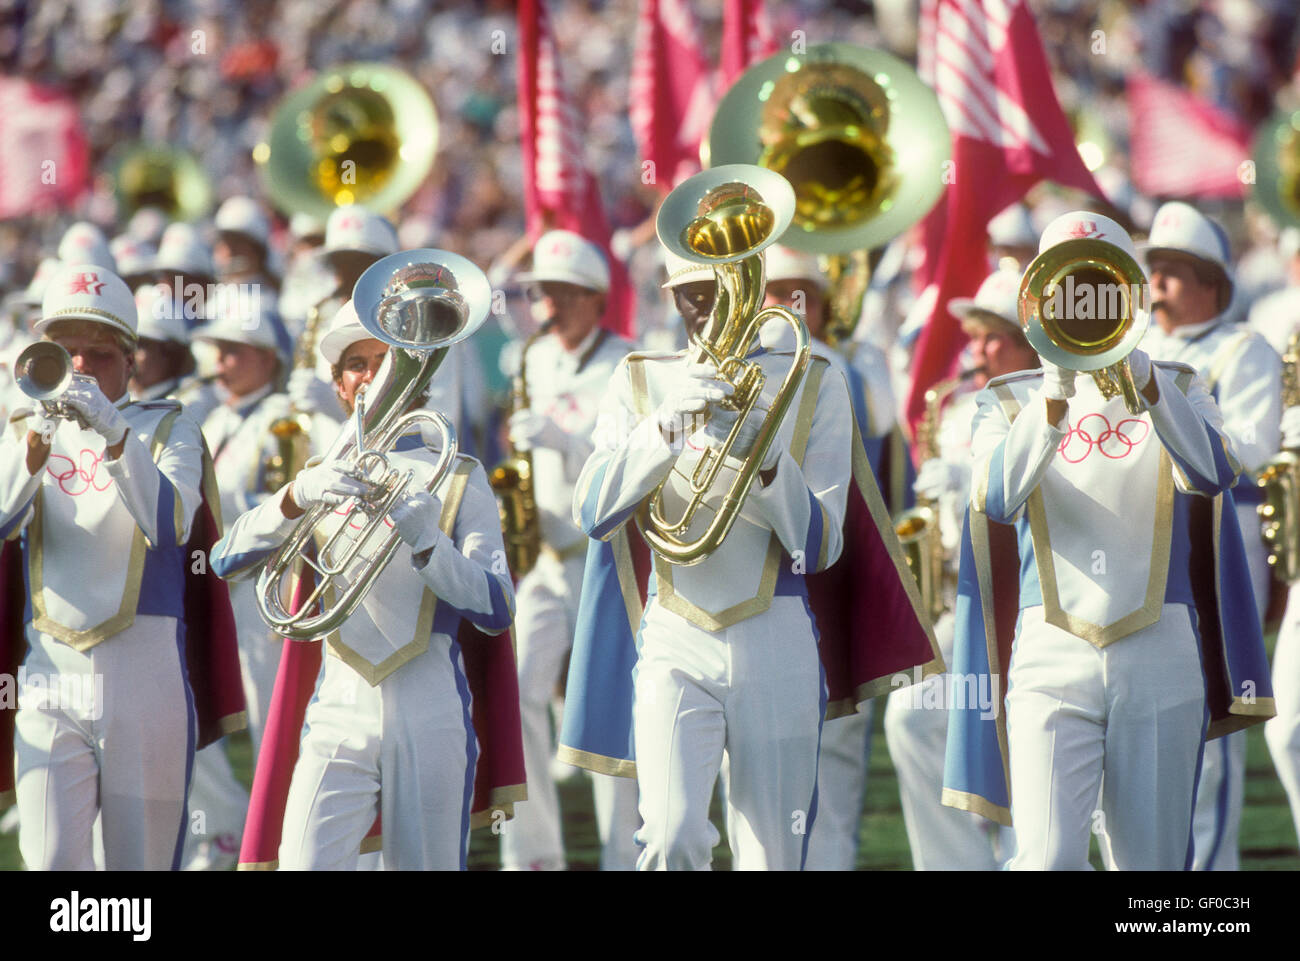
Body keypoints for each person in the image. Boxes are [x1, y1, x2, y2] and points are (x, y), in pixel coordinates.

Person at [560, 231, 938, 870]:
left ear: (752, 289)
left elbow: (819, 545)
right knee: (670, 836)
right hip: (674, 628)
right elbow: (594, 510)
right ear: (670, 297)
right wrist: (665, 428)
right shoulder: (642, 380)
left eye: (719, 291)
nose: (706, 309)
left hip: (777, 632)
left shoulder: (815, 378)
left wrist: (761, 455)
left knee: (773, 851)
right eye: (690, 295)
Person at [943, 211, 1275, 870]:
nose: (1082, 303)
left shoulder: (1177, 383)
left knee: (1151, 870)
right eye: (1067, 287)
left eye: (1099, 287)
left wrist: (1144, 375)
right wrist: (1055, 390)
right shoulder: (1004, 399)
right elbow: (997, 498)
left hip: (1160, 651)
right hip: (1049, 649)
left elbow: (1212, 473)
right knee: (1044, 859)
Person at [210, 286, 523, 870]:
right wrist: (296, 495)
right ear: (338, 383)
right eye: (357, 364)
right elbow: (225, 557)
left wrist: (432, 543)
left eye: (386, 362)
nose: (372, 377)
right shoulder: (316, 472)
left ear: (418, 376)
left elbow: (497, 607)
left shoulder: (459, 477)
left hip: (430, 707)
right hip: (338, 707)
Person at [0, 262, 243, 869]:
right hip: (49, 675)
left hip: (144, 677)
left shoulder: (171, 426)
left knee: (136, 876)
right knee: (50, 864)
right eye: (66, 351)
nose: (80, 367)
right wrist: (33, 442)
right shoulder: (23, 427)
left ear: (131, 361)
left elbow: (169, 527)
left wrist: (112, 434)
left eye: (100, 354)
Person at [754, 244, 915, 871]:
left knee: (840, 743)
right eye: (776, 291)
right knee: (753, 755)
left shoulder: (849, 364)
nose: (789, 305)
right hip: (755, 576)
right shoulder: (735, 365)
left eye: (805, 294)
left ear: (826, 304)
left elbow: (881, 417)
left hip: (833, 567)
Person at [1139, 200, 1282, 871]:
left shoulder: (1241, 346)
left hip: (1225, 534)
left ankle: (1213, 881)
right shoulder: (1135, 346)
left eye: (1175, 270)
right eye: (1155, 269)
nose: (1158, 282)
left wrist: (1178, 420)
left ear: (1213, 284)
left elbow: (1252, 447)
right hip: (1146, 538)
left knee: (1217, 715)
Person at [497, 229, 640, 871]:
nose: (546, 306)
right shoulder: (533, 358)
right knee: (517, 691)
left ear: (593, 298)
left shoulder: (628, 364)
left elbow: (635, 466)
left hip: (608, 559)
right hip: (548, 559)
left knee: (610, 706)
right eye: (540, 294)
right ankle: (535, 855)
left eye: (559, 294)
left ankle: (623, 854)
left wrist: (563, 441)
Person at [882, 266, 1027, 871]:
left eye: (993, 335)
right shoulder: (957, 406)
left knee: (1029, 744)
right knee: (910, 717)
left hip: (1033, 606)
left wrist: (971, 483)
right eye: (973, 336)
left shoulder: (1053, 399)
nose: (976, 349)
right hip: (966, 604)